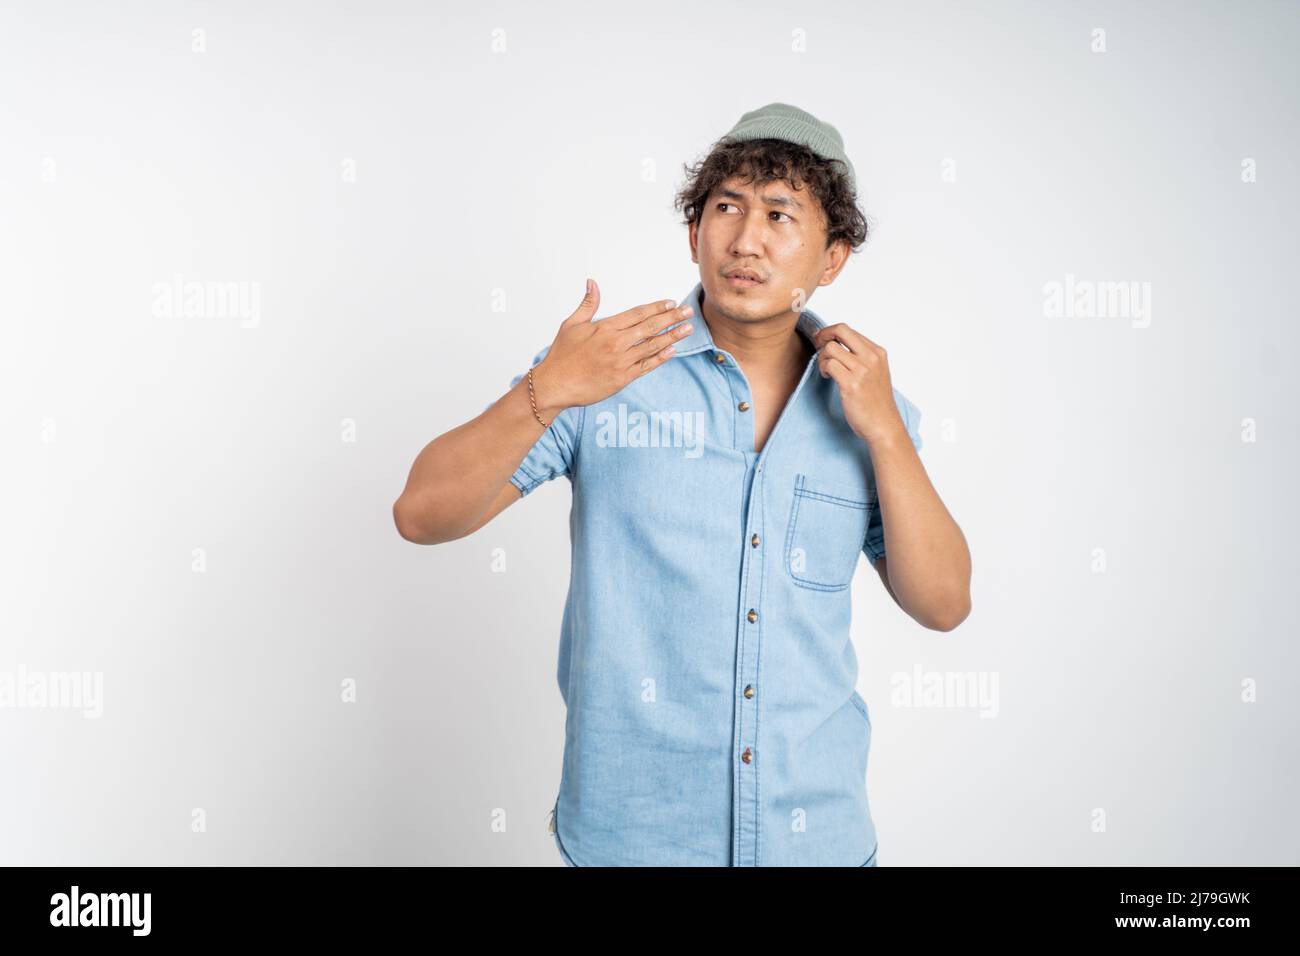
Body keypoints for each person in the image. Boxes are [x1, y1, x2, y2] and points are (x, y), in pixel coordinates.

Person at [393, 103, 972, 866]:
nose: (746, 239)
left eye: (780, 214)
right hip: (634, 840)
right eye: (725, 207)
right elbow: (422, 514)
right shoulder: (607, 372)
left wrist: (888, 435)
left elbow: (943, 605)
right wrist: (548, 388)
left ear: (832, 258)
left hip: (818, 838)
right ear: (694, 233)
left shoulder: (868, 405)